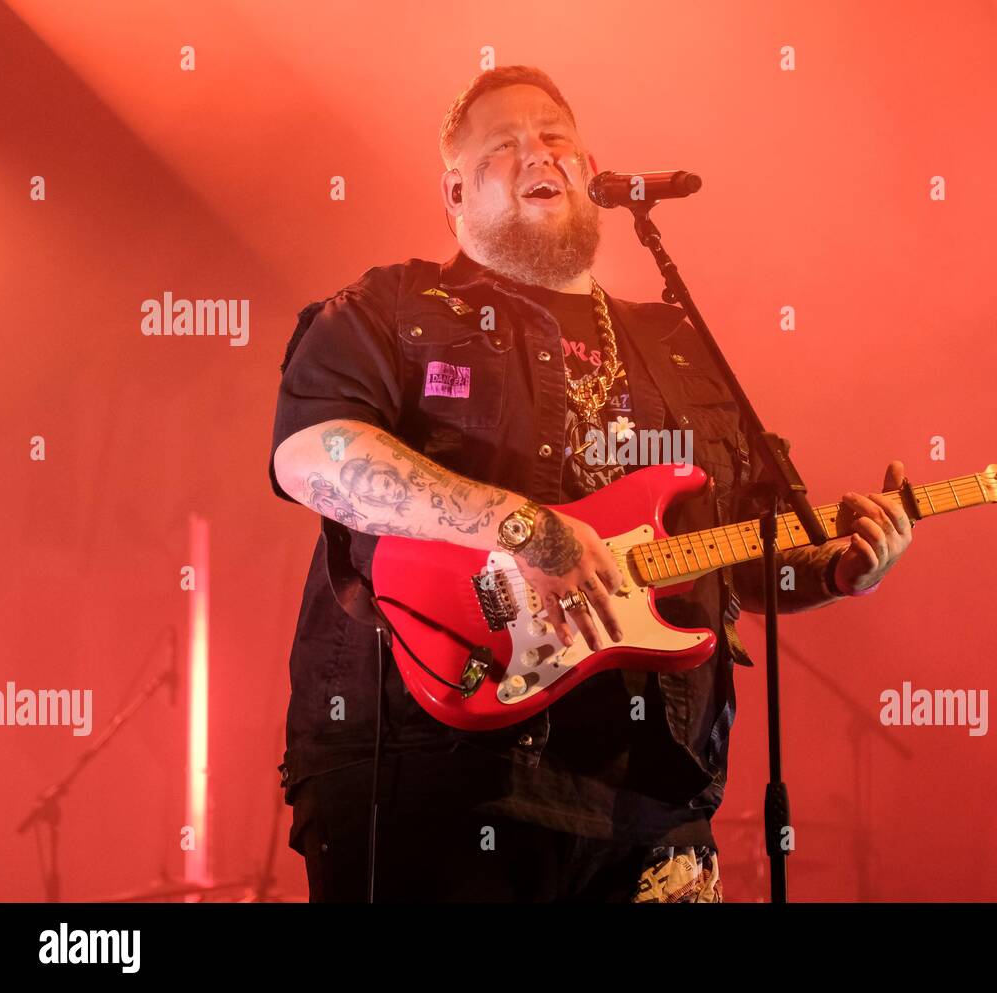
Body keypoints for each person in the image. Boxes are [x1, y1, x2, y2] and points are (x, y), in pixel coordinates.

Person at [268, 65, 913, 902]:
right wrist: (523, 526)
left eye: (556, 137)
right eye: (504, 144)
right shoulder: (392, 307)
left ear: (590, 171)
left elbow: (744, 554)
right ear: (455, 189)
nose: (539, 152)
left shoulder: (677, 347)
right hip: (433, 768)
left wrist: (834, 568)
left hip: (652, 798)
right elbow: (313, 455)